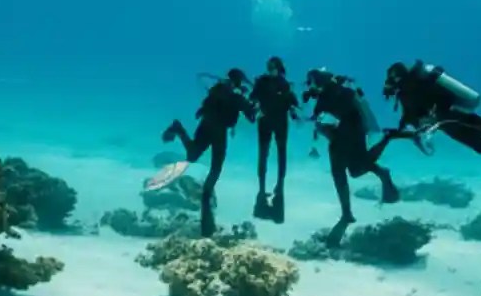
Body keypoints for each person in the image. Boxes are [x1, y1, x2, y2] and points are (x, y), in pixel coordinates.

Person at [303, 67, 399, 246]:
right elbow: (318, 120)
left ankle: (384, 159)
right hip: (342, 139)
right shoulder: (332, 95)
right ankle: (347, 212)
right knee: (344, 174)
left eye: (312, 83)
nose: (311, 86)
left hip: (350, 137)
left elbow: (326, 119)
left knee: (352, 172)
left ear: (320, 82)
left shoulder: (338, 94)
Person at [161, 68, 256, 236]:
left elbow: (204, 107)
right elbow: (252, 118)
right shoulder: (237, 97)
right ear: (239, 82)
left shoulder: (217, 89)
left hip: (205, 125)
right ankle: (206, 200)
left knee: (192, 155)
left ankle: (178, 128)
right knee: (216, 170)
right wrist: (254, 105)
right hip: (219, 132)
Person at [250, 56, 300, 223]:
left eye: (272, 66)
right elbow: (253, 97)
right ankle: (262, 186)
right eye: (268, 66)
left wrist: (294, 112)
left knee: (281, 154)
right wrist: (256, 106)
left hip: (280, 122)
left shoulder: (284, 84)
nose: (270, 69)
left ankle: (280, 183)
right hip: (265, 121)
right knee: (263, 154)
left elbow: (292, 102)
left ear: (278, 67)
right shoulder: (261, 82)